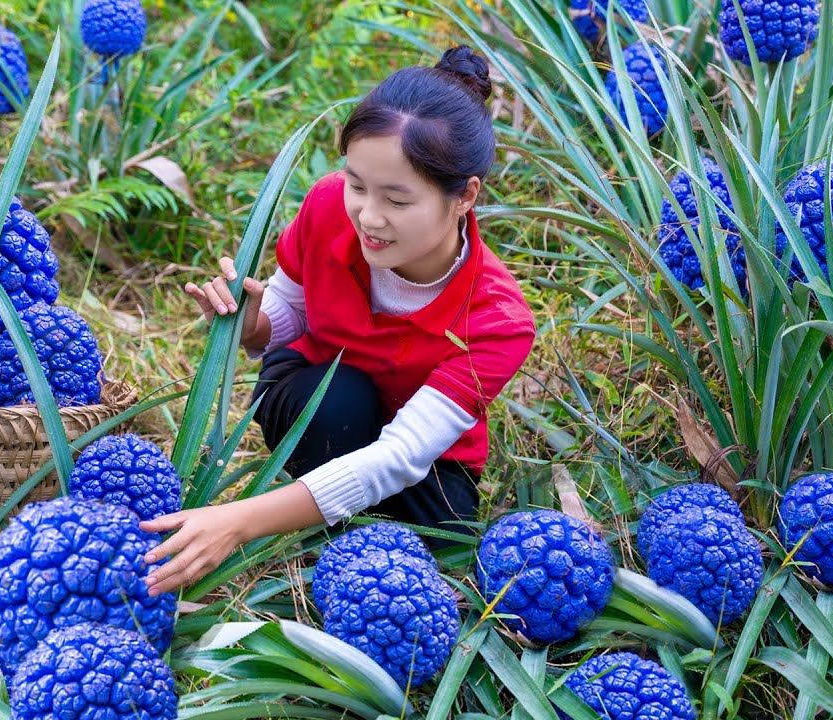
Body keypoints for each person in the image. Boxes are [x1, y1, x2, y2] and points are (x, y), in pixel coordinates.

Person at [138, 45, 536, 597]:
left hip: (420, 454)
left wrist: (238, 520)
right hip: (322, 399)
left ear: (465, 195)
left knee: (444, 541)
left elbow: (401, 456)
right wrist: (249, 321)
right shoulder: (328, 206)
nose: (368, 217)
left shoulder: (497, 320)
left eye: (397, 200)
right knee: (335, 403)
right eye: (357, 184)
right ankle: (315, 510)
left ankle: (311, 511)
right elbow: (289, 313)